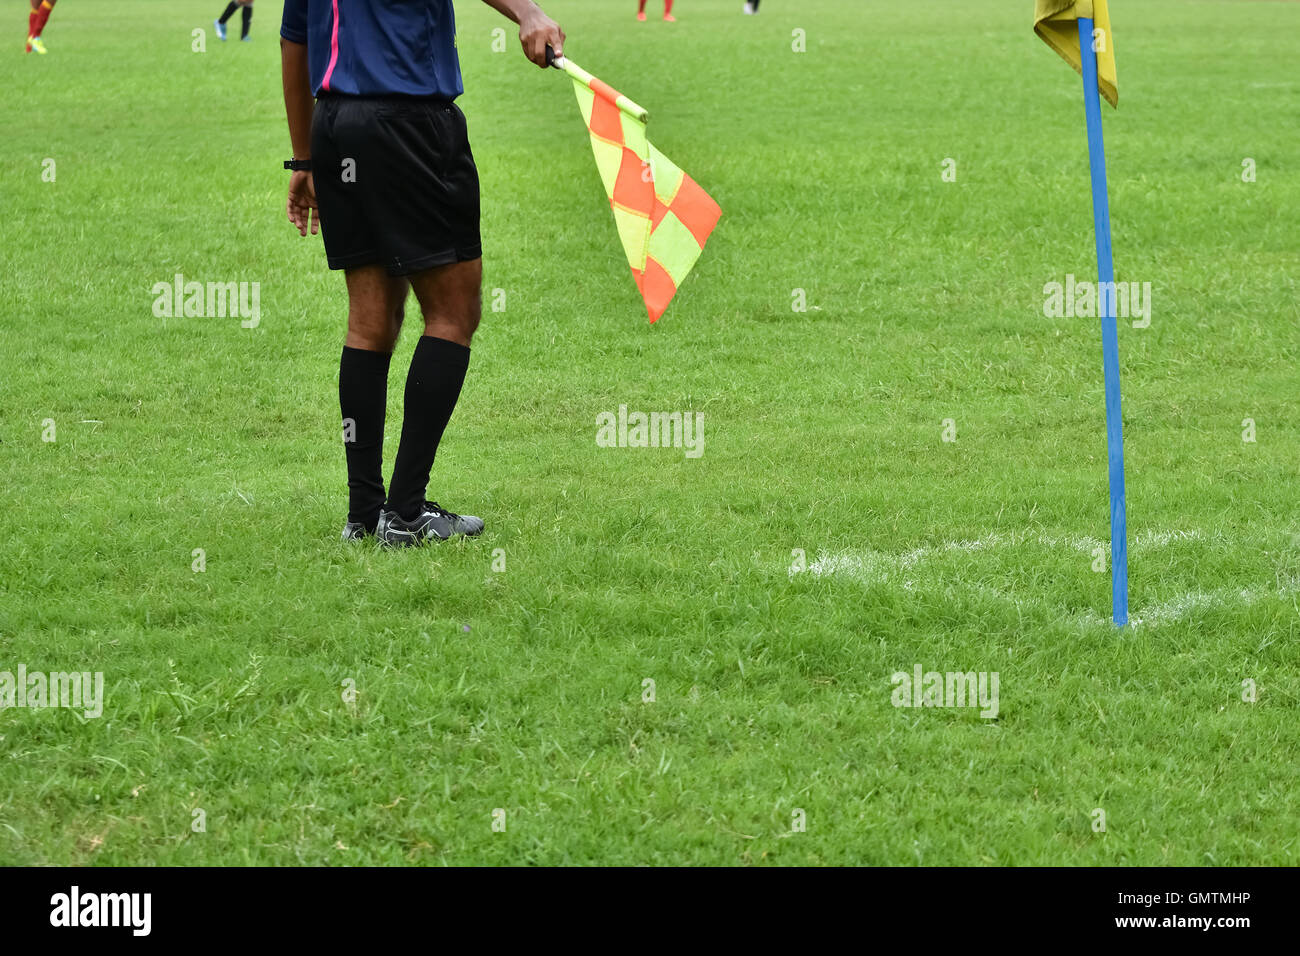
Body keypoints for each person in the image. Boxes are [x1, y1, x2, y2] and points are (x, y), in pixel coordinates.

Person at [279, 0, 564, 546]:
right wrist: (527, 12)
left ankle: (363, 514)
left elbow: (295, 41)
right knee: (455, 312)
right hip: (408, 121)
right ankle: (406, 514)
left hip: (335, 127)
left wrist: (304, 157)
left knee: (370, 321)